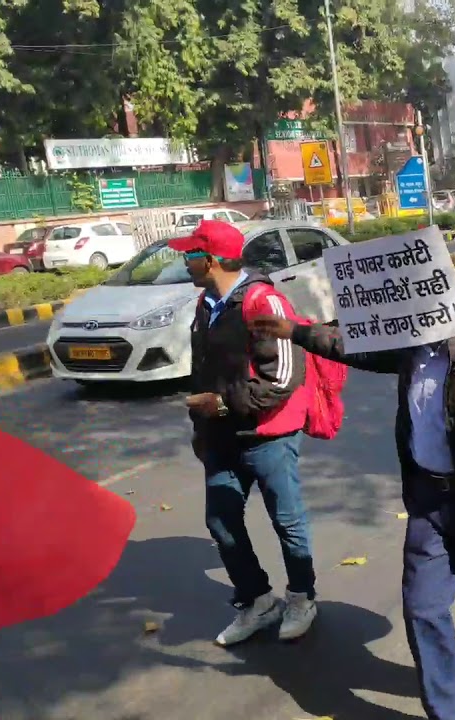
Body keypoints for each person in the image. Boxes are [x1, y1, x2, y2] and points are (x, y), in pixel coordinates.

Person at [248, 315, 455, 720]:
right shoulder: (409, 349)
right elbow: (348, 343)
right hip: (429, 503)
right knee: (423, 609)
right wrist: (296, 332)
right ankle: (451, 709)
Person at [173, 220, 318, 646]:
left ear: (211, 260)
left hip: (267, 435)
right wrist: (203, 427)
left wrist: (220, 405)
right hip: (220, 437)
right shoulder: (205, 303)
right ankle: (257, 600)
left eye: (190, 255)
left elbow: (283, 378)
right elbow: (205, 371)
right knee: (220, 519)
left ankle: (301, 597)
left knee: (287, 522)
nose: (186, 261)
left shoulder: (263, 301)